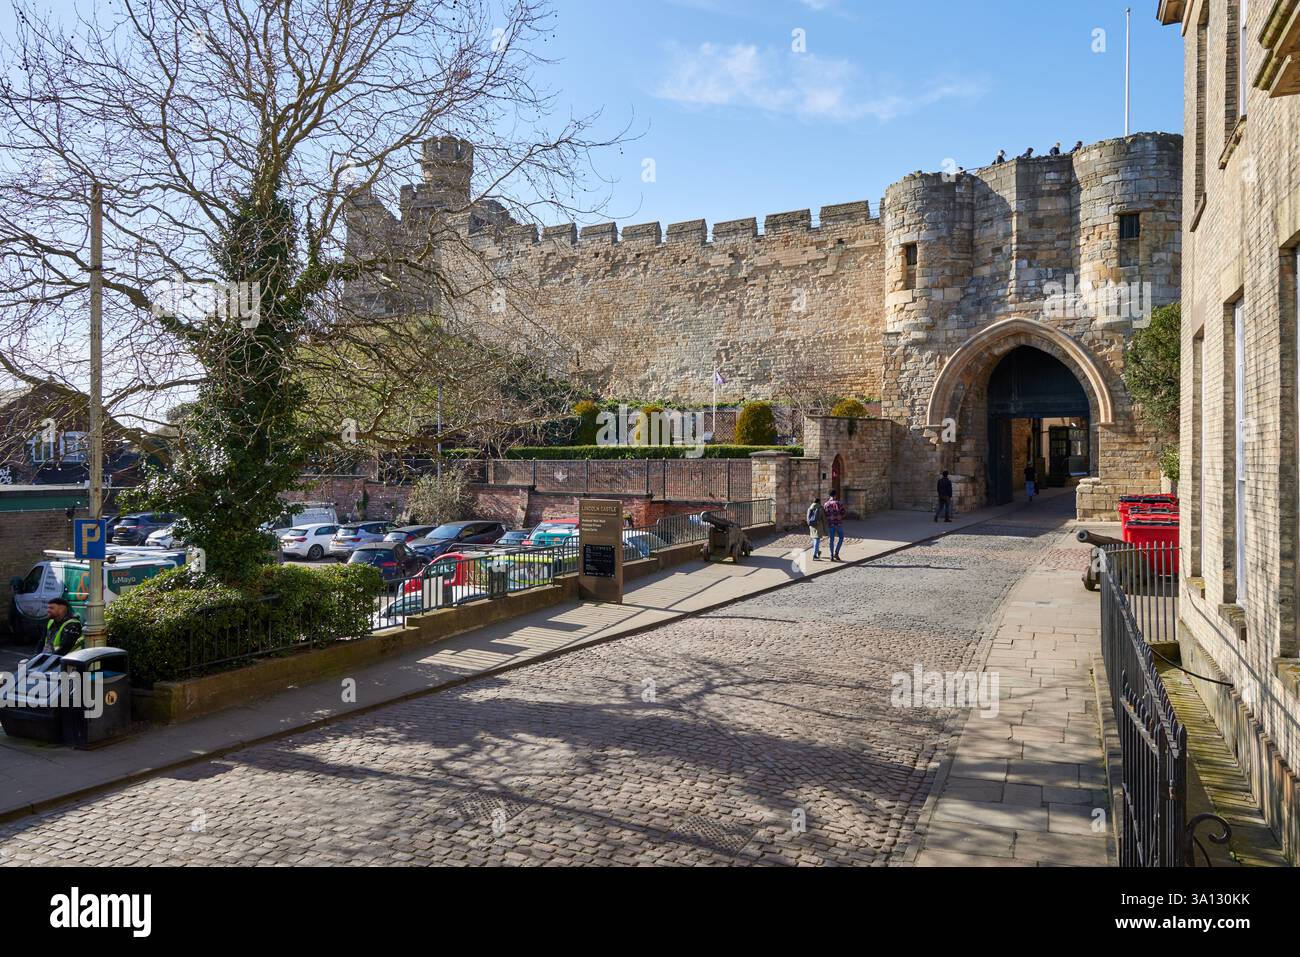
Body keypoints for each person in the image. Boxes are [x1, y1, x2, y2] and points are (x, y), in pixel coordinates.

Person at [824, 492, 846, 562]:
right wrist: (839, 517)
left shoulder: (826, 504)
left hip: (831, 524)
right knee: (841, 538)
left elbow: (825, 514)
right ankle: (836, 553)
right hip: (838, 524)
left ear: (829, 495)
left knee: (831, 540)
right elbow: (843, 513)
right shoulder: (839, 503)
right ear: (835, 495)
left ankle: (831, 555)